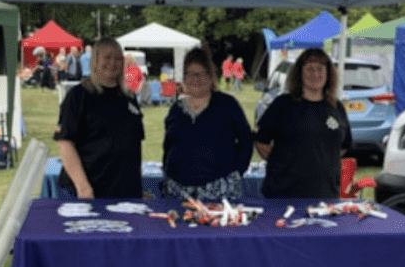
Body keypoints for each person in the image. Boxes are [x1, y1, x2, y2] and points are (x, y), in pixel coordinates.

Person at [254, 48, 352, 199]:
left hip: (325, 194)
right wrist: (285, 163)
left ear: (328, 74)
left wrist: (319, 159)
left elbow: (343, 147)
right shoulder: (283, 104)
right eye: (310, 69)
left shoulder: (336, 107)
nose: (315, 74)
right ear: (300, 73)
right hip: (283, 194)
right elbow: (261, 142)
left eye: (320, 69)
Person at [54, 37, 144, 198]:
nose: (113, 63)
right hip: (91, 191)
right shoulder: (78, 96)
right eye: (107, 57)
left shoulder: (128, 97)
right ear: (95, 61)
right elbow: (65, 142)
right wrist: (83, 187)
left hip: (126, 192)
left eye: (117, 58)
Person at [161, 48, 253, 201]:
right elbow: (168, 145)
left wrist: (237, 173)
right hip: (177, 192)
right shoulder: (176, 109)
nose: (196, 79)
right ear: (184, 78)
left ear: (211, 77)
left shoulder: (228, 105)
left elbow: (246, 140)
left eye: (202, 73)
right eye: (190, 74)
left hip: (220, 192)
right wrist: (167, 171)